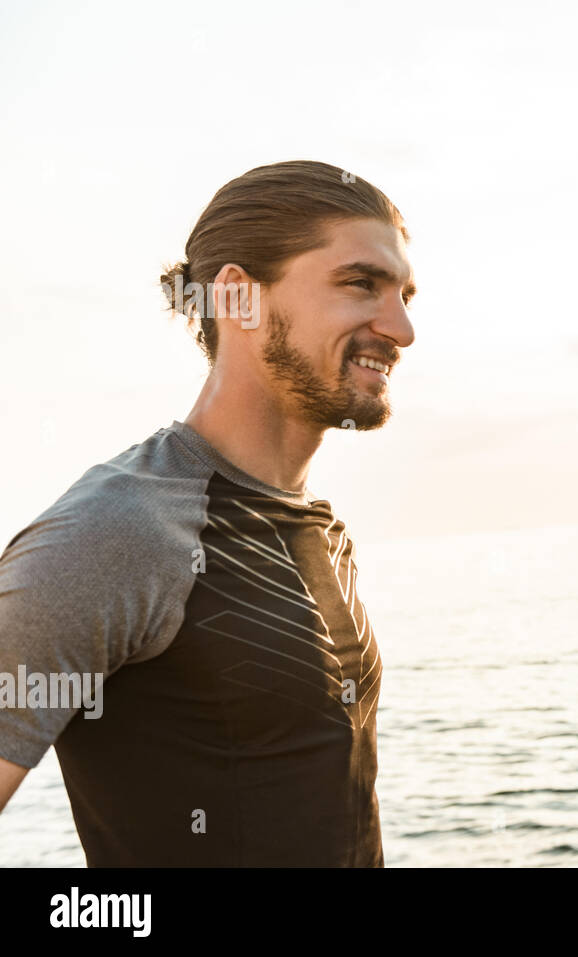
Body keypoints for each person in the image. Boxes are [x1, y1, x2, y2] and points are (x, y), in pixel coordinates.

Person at [0, 160, 416, 865]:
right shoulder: (121, 529)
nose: (401, 327)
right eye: (360, 284)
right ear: (237, 298)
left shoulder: (317, 527)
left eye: (405, 293)